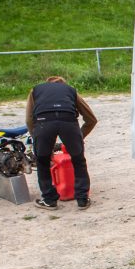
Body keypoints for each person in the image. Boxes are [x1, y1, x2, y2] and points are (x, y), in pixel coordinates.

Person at [25, 76, 98, 209]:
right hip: (68, 122)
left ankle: (49, 200)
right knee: (78, 160)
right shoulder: (70, 90)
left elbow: (29, 119)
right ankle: (82, 199)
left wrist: (36, 137)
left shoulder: (35, 91)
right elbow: (91, 119)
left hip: (43, 122)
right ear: (63, 84)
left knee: (42, 161)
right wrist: (79, 137)